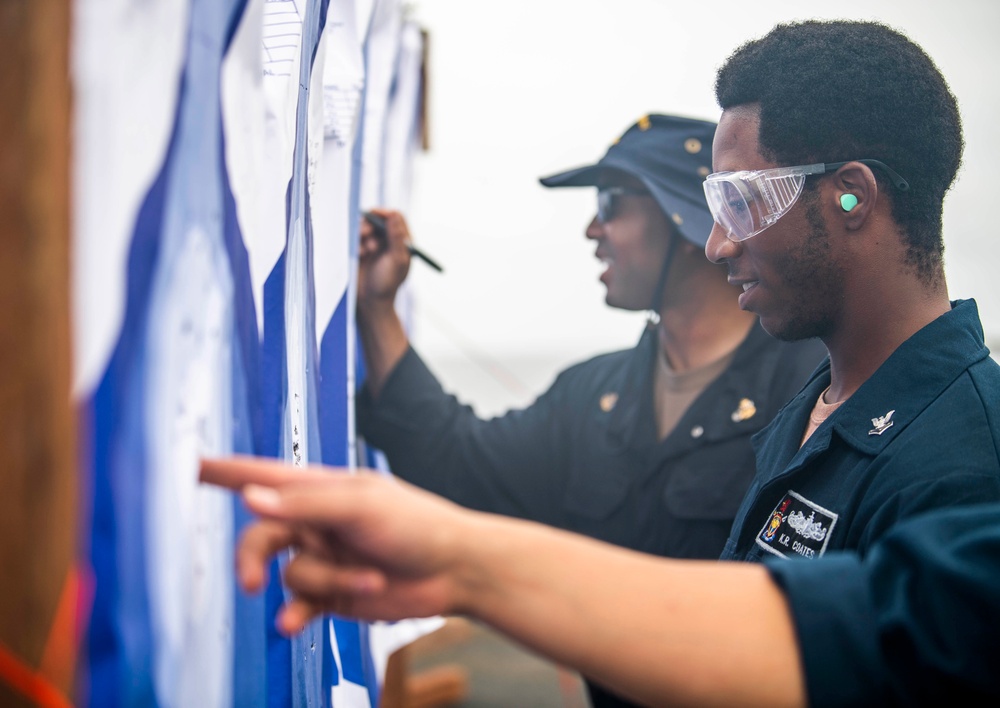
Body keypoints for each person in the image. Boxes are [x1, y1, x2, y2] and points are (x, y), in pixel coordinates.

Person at [357, 114, 826, 563]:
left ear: (686, 220)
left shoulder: (812, 394)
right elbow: (456, 461)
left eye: (611, 205)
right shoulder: (590, 394)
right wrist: (378, 310)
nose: (591, 231)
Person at [199, 457, 1000, 706]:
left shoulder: (965, 450)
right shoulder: (806, 410)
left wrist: (459, 561)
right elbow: (846, 624)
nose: (724, 241)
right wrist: (455, 561)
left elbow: (875, 637)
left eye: (744, 202)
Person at [697, 20, 1000, 562]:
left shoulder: (965, 463)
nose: (718, 244)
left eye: (742, 201)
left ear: (851, 197)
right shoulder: (817, 408)